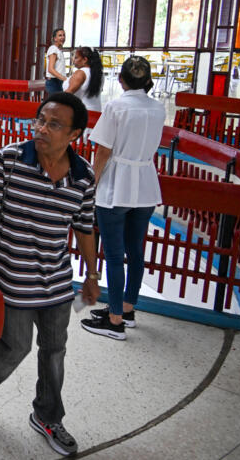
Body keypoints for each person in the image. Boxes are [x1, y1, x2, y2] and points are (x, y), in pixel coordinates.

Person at [0, 93, 100, 457]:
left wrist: (91, 274)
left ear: (74, 135)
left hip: (56, 280)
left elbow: (85, 227)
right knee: (16, 345)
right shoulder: (9, 158)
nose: (41, 128)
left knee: (54, 350)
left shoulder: (83, 175)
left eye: (54, 124)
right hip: (12, 275)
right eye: (40, 119)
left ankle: (47, 415)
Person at [80, 56, 166, 340]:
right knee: (135, 251)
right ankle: (127, 309)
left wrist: (93, 182)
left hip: (117, 185)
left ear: (121, 79)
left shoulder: (116, 107)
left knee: (115, 255)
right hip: (145, 184)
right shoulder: (158, 108)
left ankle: (114, 321)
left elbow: (103, 151)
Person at [62, 46, 104, 113]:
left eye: (76, 58)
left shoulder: (81, 73)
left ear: (85, 59)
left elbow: (68, 93)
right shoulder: (100, 74)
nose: (73, 60)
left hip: (82, 112)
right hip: (97, 111)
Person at [45, 29, 68, 94]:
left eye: (64, 35)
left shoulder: (58, 50)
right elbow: (51, 69)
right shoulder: (53, 49)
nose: (63, 37)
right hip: (54, 82)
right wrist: (65, 79)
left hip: (58, 81)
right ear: (55, 38)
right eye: (60, 35)